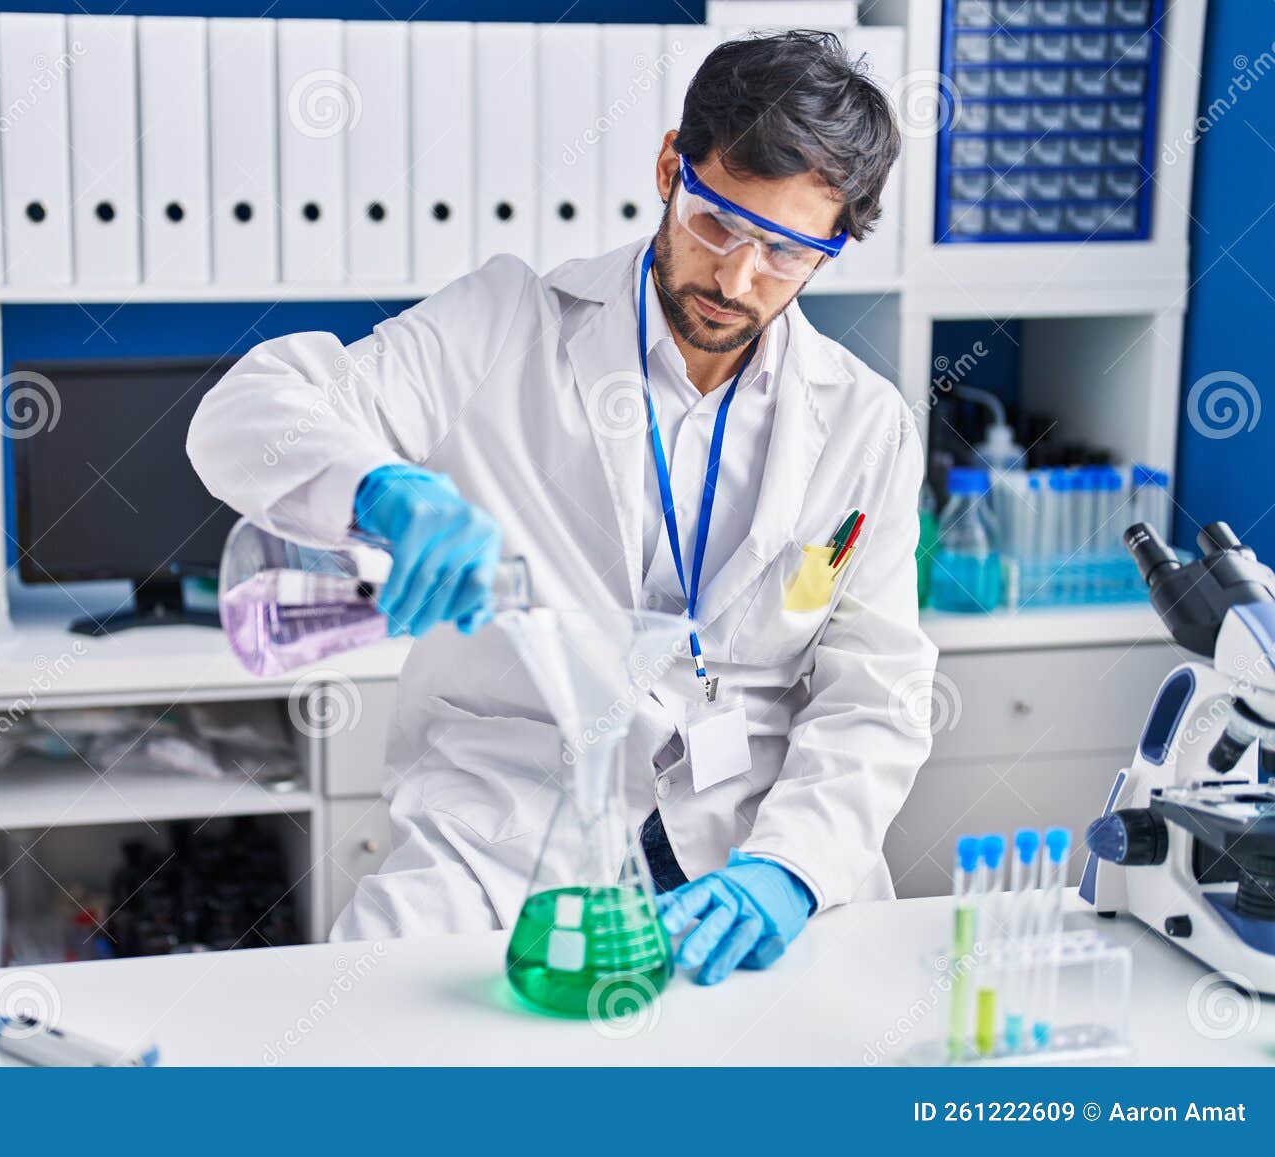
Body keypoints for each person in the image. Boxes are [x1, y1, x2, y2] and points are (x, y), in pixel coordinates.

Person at [188, 31, 937, 985]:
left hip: (755, 838)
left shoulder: (863, 423)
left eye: (789, 253)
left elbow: (876, 689)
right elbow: (245, 414)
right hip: (508, 828)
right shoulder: (506, 326)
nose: (739, 279)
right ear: (672, 166)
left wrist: (790, 871)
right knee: (368, 1037)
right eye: (719, 224)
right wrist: (386, 489)